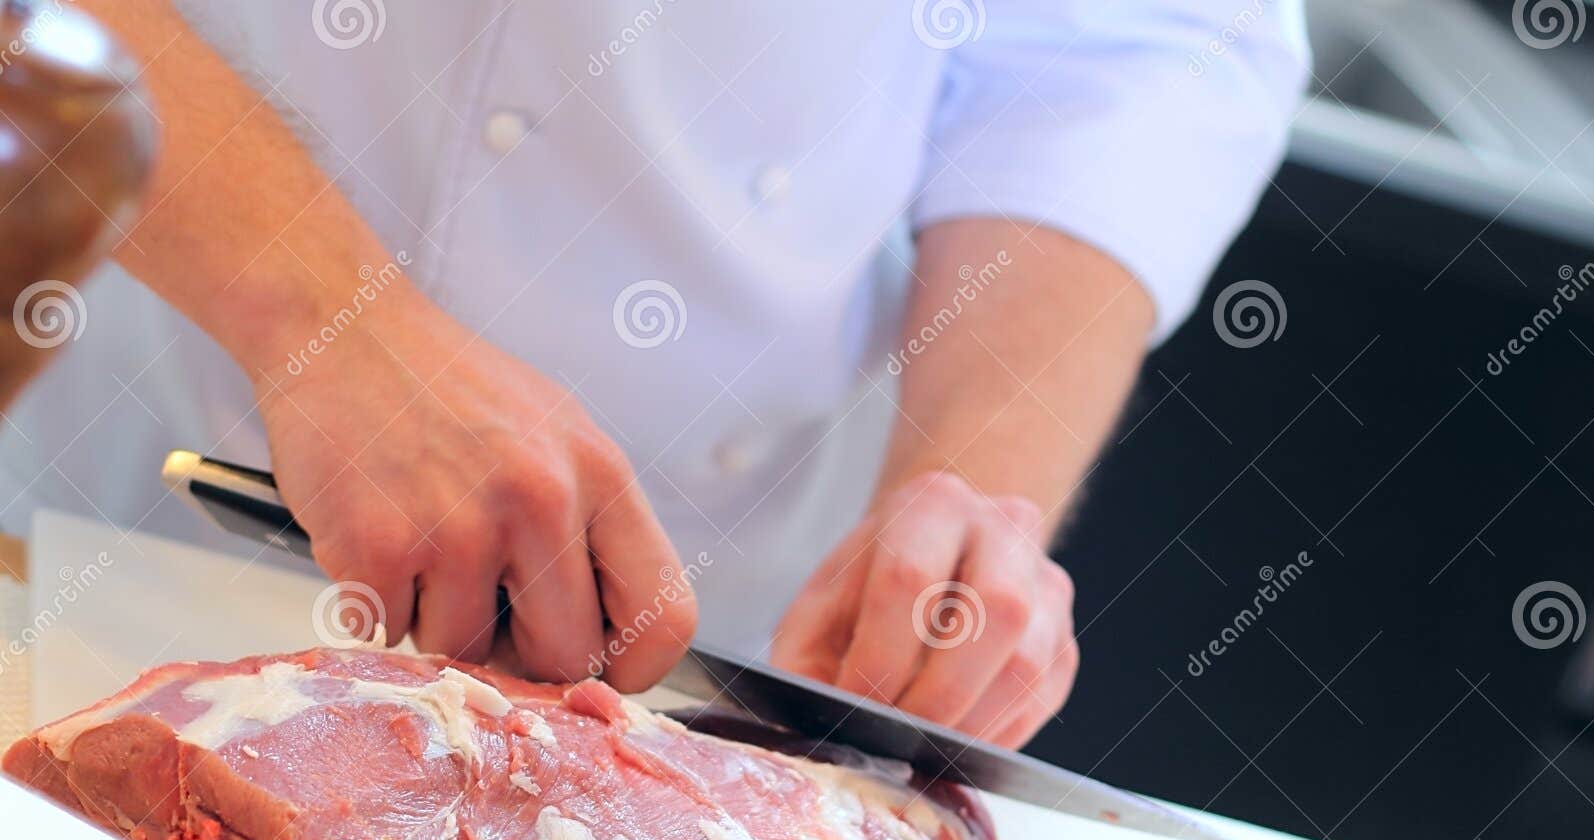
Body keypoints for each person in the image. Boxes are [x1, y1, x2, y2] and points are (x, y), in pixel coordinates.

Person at [5, 1, 1307, 745]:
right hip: (133, 466)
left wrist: (973, 490)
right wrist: (329, 324)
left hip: (702, 629)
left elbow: (1130, 53)